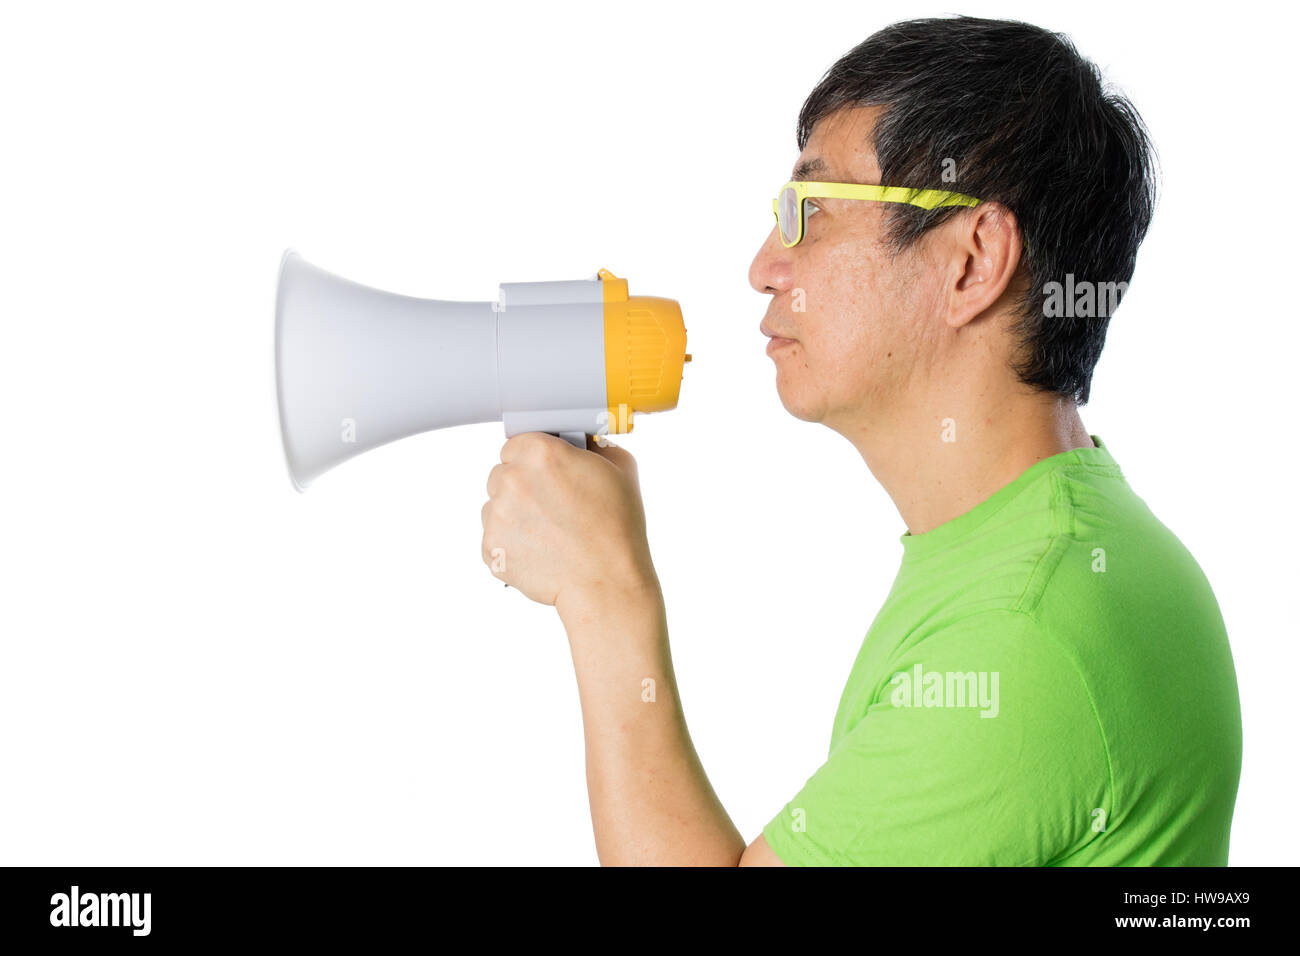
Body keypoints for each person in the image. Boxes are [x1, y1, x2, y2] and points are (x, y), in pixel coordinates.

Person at [480, 15, 1242, 865]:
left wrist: (604, 594)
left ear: (973, 261)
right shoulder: (1053, 553)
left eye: (809, 207)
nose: (764, 264)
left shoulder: (1025, 636)